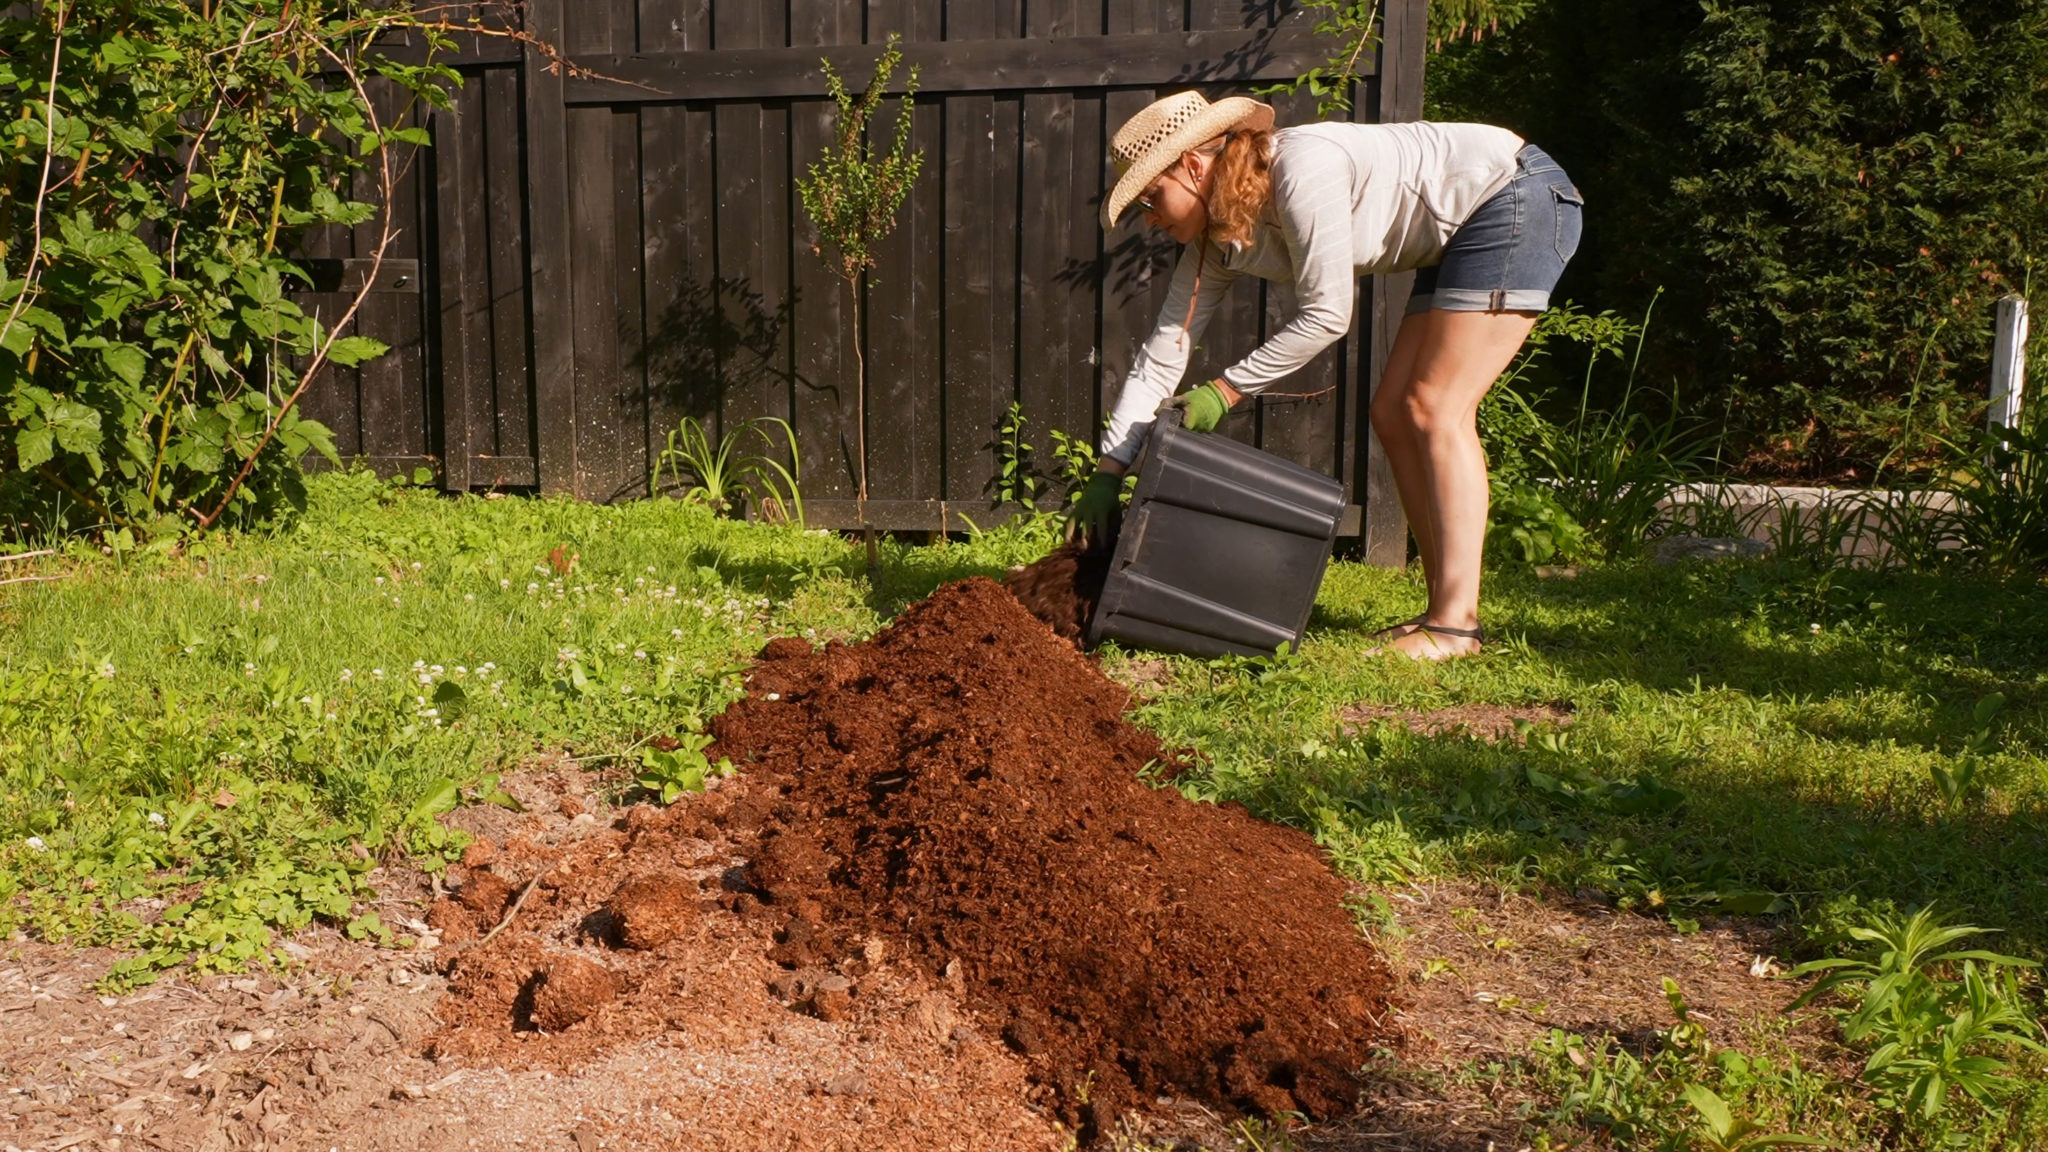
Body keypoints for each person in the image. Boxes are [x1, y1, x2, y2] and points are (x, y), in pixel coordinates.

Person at [1067, 92, 1582, 660]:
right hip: (1461, 233)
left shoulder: (1301, 169)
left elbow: (1327, 315)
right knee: (1394, 411)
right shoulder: (1218, 242)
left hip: (1512, 197)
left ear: (1193, 166)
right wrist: (1110, 469)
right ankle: (1440, 613)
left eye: (1149, 196)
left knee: (1437, 409)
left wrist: (1226, 389)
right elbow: (1165, 351)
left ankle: (1455, 627)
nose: (1149, 217)